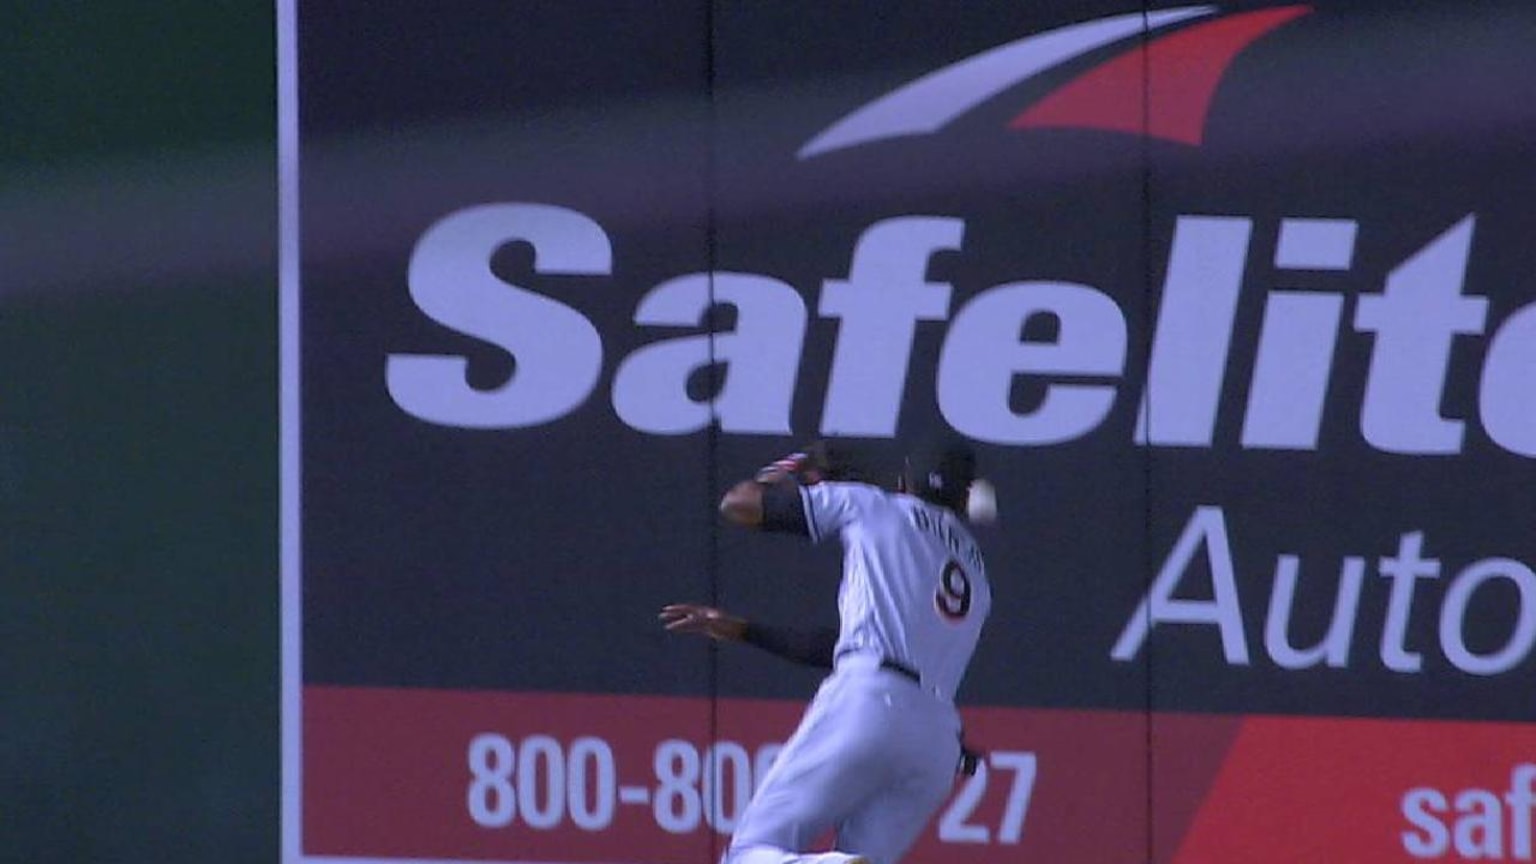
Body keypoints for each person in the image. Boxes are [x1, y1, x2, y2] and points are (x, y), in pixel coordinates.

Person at [666, 439, 992, 864]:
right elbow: (836, 646)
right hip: (938, 742)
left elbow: (739, 504)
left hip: (871, 699)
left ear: (905, 479)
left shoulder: (873, 506)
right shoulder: (978, 576)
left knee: (749, 853)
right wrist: (745, 631)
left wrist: (791, 466)